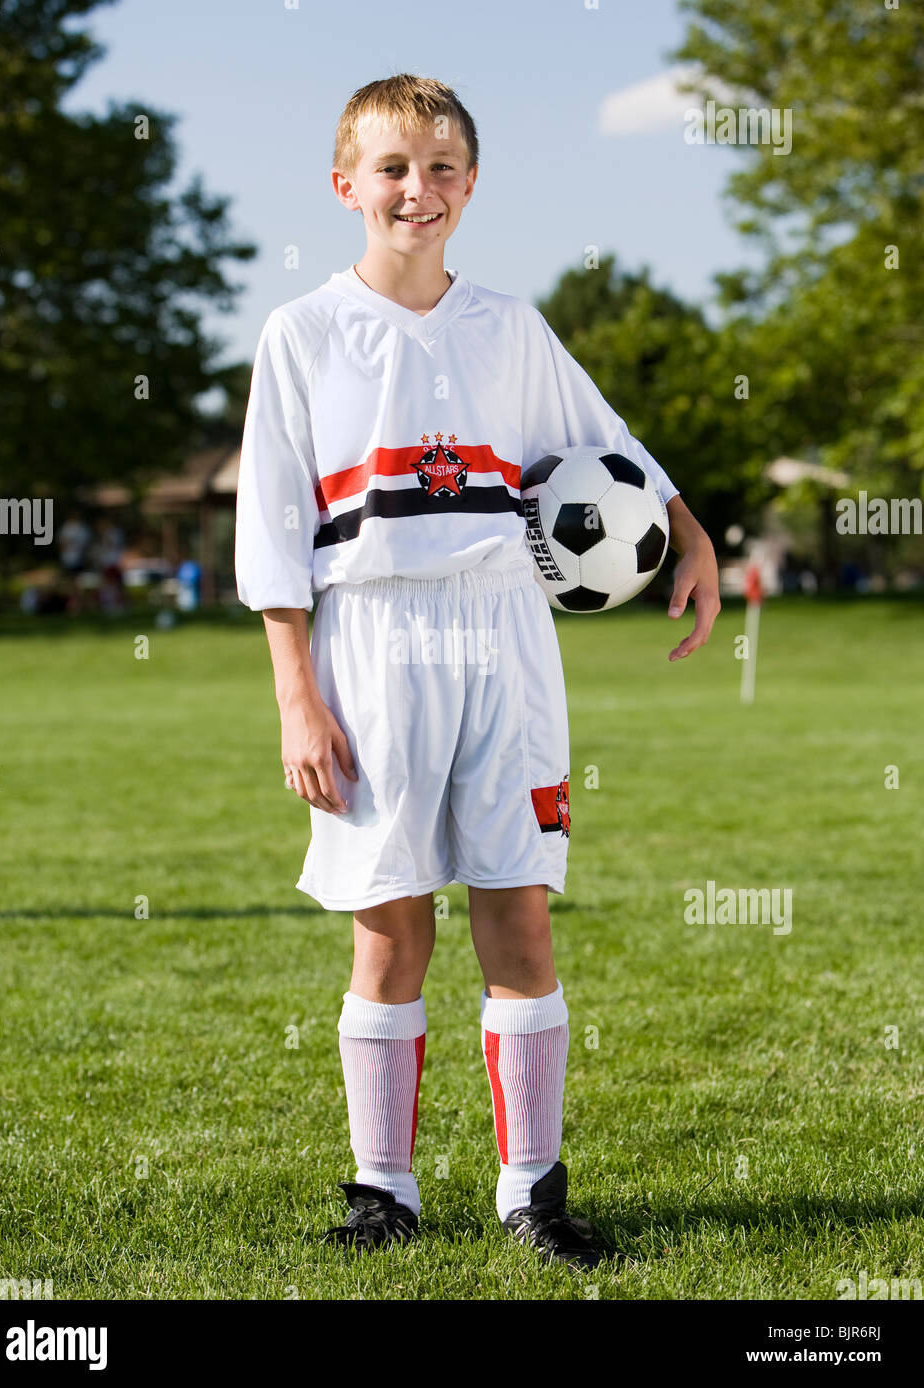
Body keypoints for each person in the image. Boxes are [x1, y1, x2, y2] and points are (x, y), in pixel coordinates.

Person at [234, 74, 720, 1270]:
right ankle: (382, 1190)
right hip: (372, 641)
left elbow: (608, 449)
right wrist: (297, 693)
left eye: (444, 167)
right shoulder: (301, 334)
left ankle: (532, 1191)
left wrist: (691, 531)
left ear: (473, 185)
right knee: (390, 929)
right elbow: (274, 532)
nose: (419, 189)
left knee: (519, 908)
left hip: (505, 635)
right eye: (394, 168)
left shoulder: (511, 327)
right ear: (345, 184)